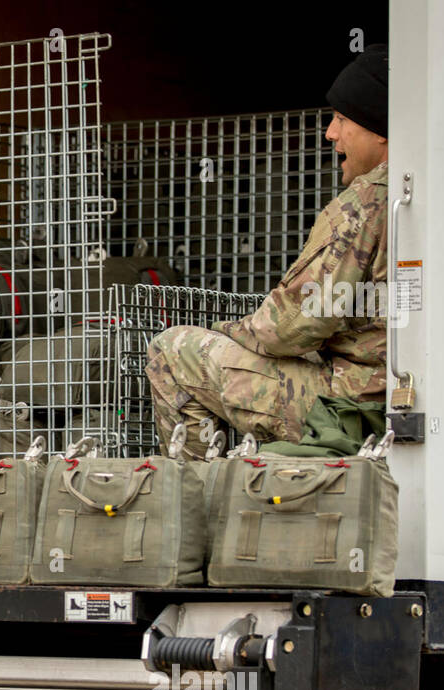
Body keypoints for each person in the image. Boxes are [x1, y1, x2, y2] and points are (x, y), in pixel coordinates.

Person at [147, 45, 390, 459]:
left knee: (173, 351)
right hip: (389, 396)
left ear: (379, 129)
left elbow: (288, 325)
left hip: (350, 406)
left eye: (342, 119)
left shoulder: (365, 203)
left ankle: (193, 505)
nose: (331, 133)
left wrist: (229, 330)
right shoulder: (431, 190)